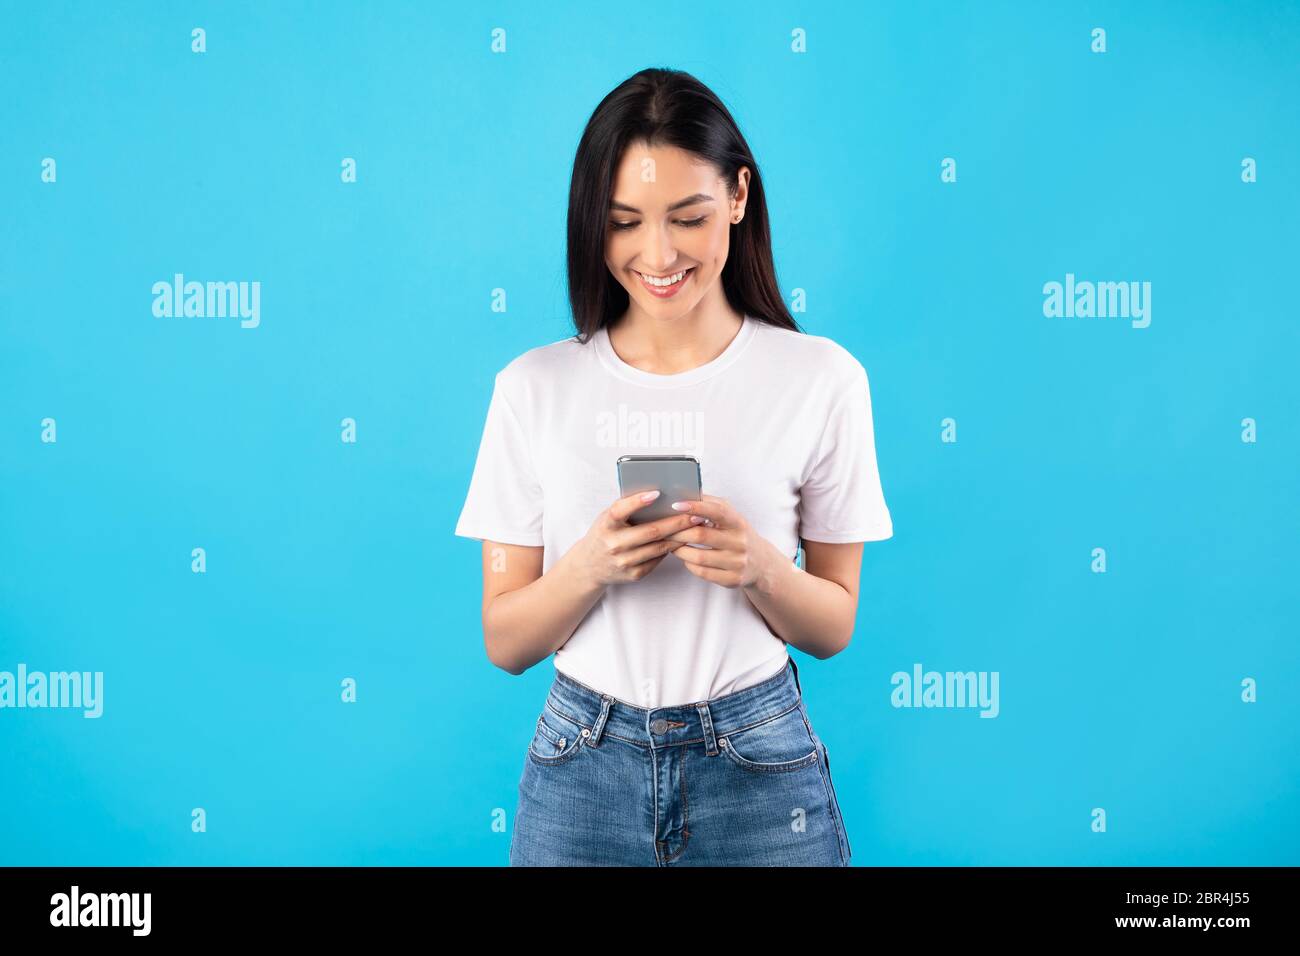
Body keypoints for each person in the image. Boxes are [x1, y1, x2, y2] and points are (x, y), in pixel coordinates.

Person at [454, 67, 893, 866]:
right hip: (580, 766)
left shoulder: (823, 379)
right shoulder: (532, 388)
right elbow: (504, 639)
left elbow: (833, 626)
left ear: (738, 196)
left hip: (759, 766)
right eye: (623, 223)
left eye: (686, 217)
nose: (657, 255)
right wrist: (589, 567)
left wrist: (759, 566)